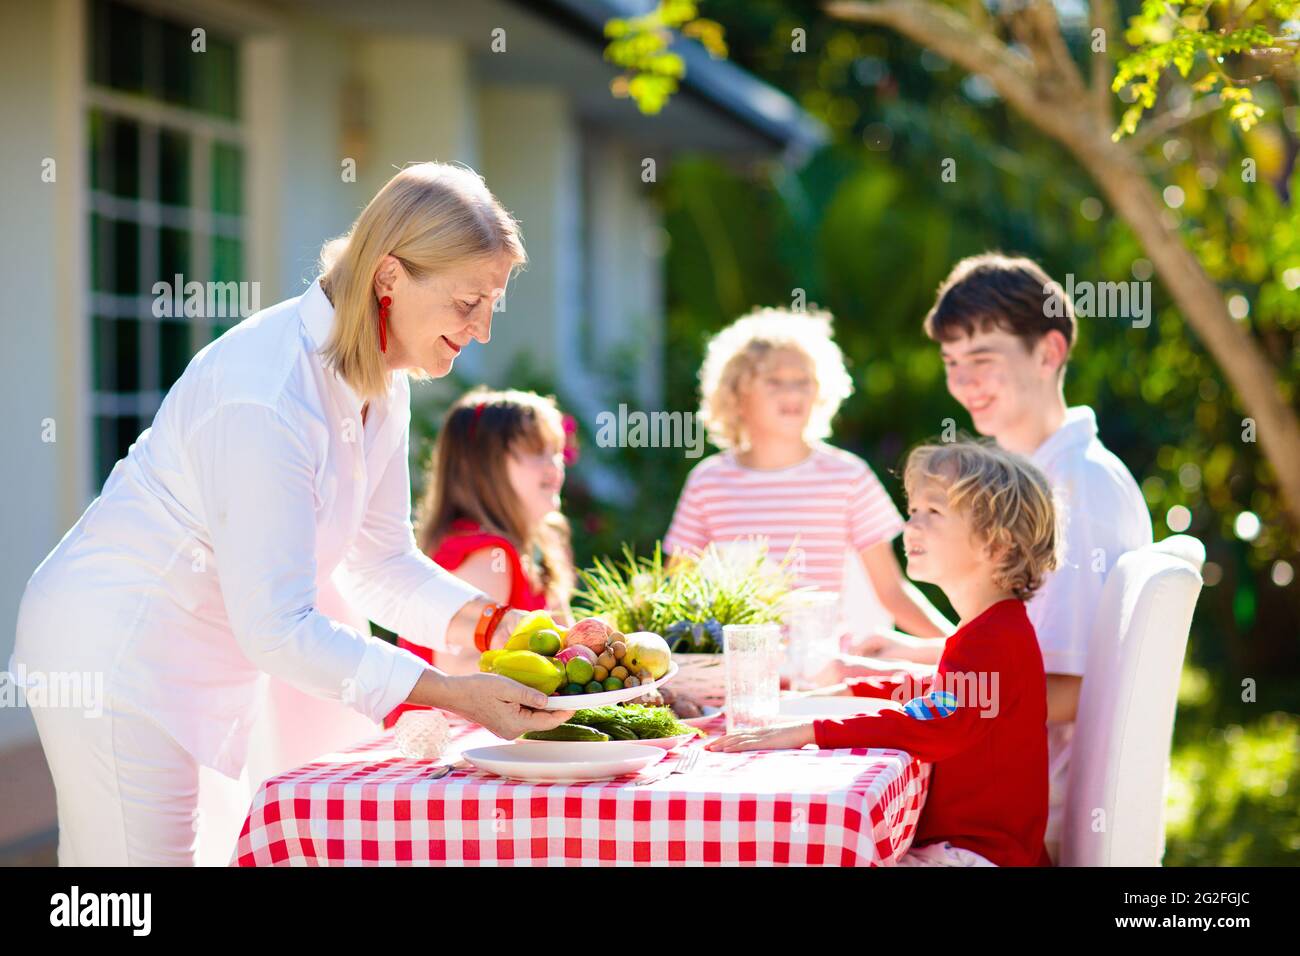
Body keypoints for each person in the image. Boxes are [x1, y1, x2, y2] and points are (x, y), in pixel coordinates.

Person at [9, 162, 570, 866]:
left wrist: (499, 624)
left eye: (492, 304)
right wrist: (454, 693)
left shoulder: (382, 380)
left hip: (211, 662)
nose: (482, 329)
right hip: (118, 651)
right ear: (390, 278)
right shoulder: (267, 394)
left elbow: (381, 564)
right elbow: (277, 626)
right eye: (468, 302)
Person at [844, 253, 1153, 861]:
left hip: (1024, 822)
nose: (963, 383)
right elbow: (1018, 659)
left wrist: (913, 702)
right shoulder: (1051, 475)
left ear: (1049, 352)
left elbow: (1063, 690)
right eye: (952, 363)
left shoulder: (1072, 494)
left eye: (983, 359)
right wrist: (909, 653)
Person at [709, 440, 1060, 868]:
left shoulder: (994, 637)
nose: (911, 525)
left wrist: (810, 731)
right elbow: (942, 694)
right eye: (913, 511)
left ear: (997, 545)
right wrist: (852, 689)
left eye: (933, 512)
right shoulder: (990, 627)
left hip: (973, 856)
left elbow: (940, 720)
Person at [663, 307, 952, 639]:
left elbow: (892, 591)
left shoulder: (848, 477)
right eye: (775, 381)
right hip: (737, 671)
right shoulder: (707, 482)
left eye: (804, 381)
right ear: (736, 394)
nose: (793, 393)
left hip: (824, 669)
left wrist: (960, 649)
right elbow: (676, 592)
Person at [385, 387, 575, 727]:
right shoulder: (487, 555)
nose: (554, 467)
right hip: (440, 745)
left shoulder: (538, 545)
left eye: (556, 453)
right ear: (484, 468)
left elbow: (564, 635)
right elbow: (457, 667)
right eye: (536, 453)